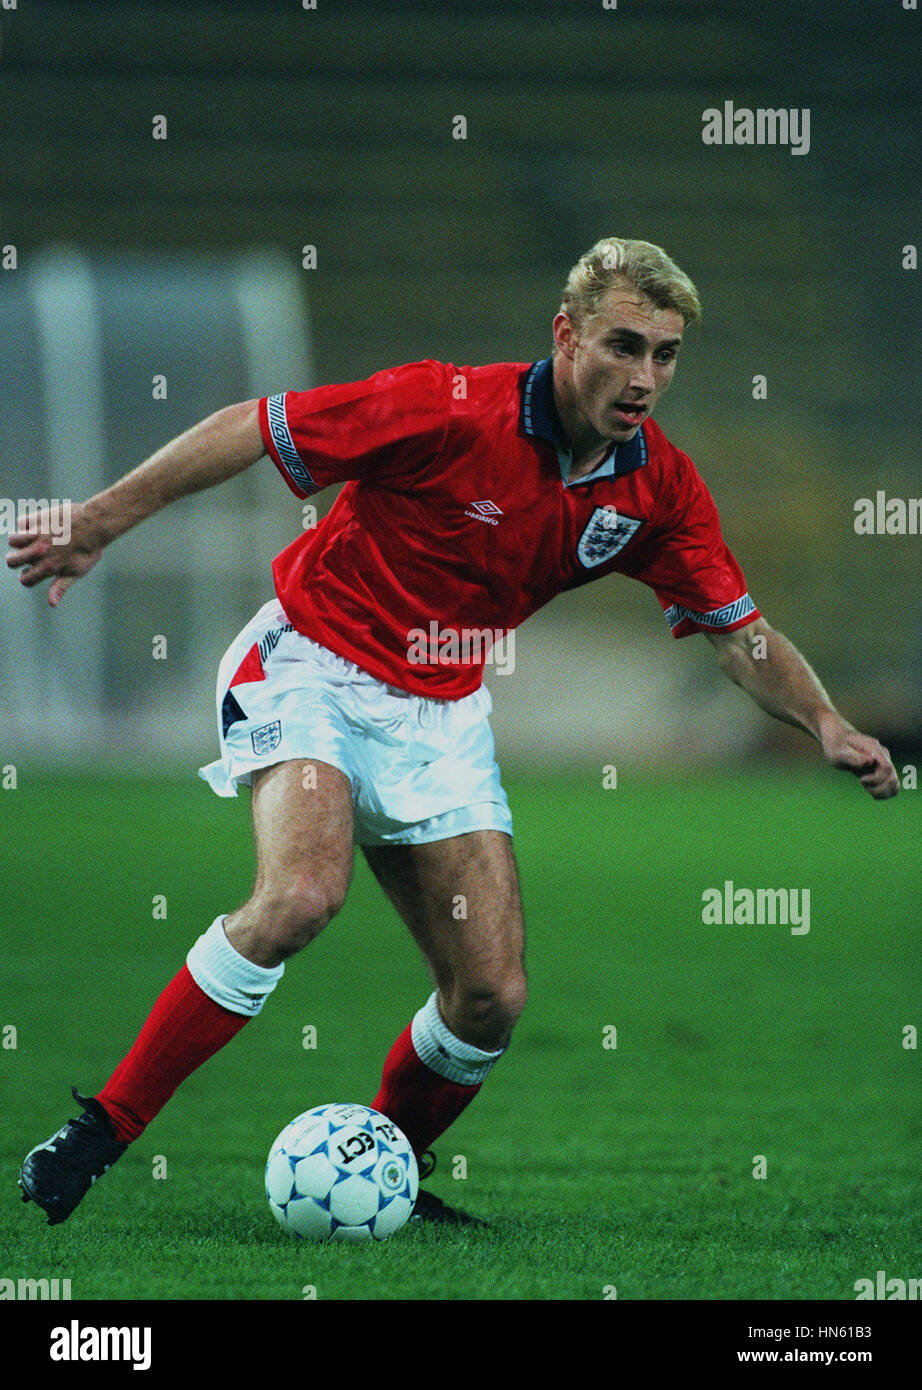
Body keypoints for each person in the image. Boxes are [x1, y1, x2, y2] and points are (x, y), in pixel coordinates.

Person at [11, 237, 898, 1229]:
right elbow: (253, 427)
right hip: (314, 663)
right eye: (622, 345)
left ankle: (386, 1163)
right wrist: (99, 519)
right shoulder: (445, 405)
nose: (644, 375)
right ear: (564, 337)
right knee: (302, 895)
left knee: (490, 998)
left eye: (664, 354)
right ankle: (103, 1129)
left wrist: (822, 721)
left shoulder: (658, 489)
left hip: (440, 712)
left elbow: (740, 635)